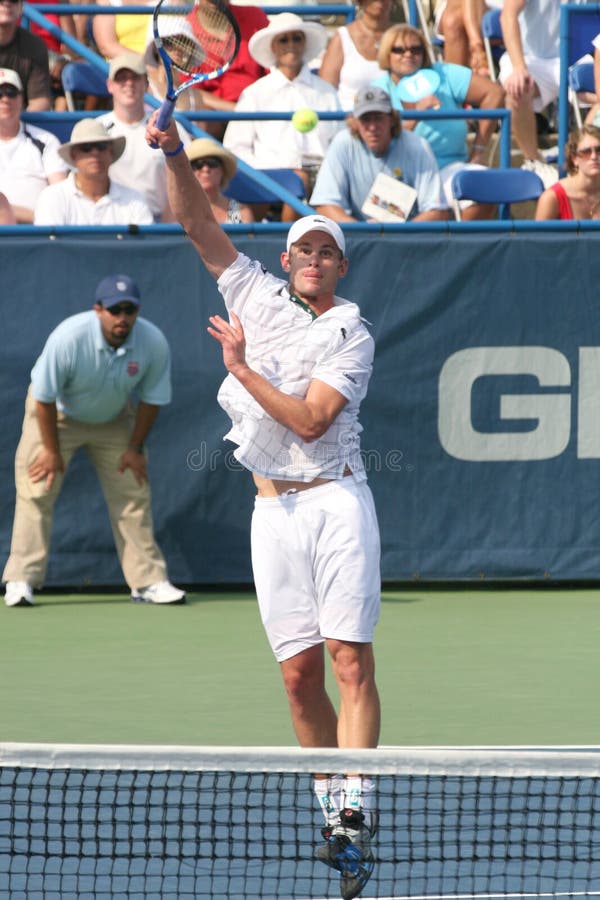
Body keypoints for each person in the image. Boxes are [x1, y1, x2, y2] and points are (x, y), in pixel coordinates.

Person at [146, 112, 382, 900]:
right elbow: (192, 220)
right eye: (305, 249)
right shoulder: (251, 287)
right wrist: (175, 148)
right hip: (270, 513)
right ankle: (331, 808)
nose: (315, 260)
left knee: (349, 661)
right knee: (297, 678)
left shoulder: (353, 330)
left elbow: (311, 419)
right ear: (287, 260)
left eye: (328, 251)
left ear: (340, 268)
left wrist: (242, 371)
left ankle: (355, 814)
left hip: (336, 502)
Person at [3, 273, 186, 608]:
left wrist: (134, 449)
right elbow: (43, 397)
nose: (122, 318)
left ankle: (147, 582)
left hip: (113, 419)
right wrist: (50, 449)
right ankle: (21, 580)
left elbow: (153, 399)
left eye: (129, 310)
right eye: (115, 310)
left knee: (133, 491)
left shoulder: (153, 342)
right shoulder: (69, 337)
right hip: (55, 416)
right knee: (36, 488)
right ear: (98, 310)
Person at [371, 24, 504, 220]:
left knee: (488, 187)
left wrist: (479, 151)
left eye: (416, 49)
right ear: (386, 54)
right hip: (398, 173)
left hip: (449, 165)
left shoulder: (443, 74)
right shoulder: (377, 91)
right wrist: (416, 114)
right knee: (382, 225)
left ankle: (461, 247)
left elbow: (494, 93)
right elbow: (378, 142)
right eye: (399, 49)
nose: (408, 54)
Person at [223, 12, 343, 216]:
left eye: (297, 38)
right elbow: (235, 148)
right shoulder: (254, 93)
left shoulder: (327, 92)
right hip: (270, 175)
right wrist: (276, 172)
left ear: (304, 44)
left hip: (325, 175)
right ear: (273, 47)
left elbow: (340, 141)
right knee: (296, 181)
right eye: (284, 39)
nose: (291, 44)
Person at [310, 85, 448, 222]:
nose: (372, 127)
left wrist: (395, 237)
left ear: (392, 119)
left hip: (408, 239)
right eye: (366, 119)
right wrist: (366, 234)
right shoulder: (342, 143)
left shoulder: (418, 146)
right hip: (357, 241)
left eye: (379, 118)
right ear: (355, 122)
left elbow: (437, 211)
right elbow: (325, 206)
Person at [98, 51, 190, 222]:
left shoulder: (169, 128)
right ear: (110, 85)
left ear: (146, 84)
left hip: (163, 224)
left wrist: (169, 222)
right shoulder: (96, 128)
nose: (129, 83)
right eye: (121, 78)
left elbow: (189, 176)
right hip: (109, 223)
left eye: (135, 78)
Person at [34, 118, 154, 226]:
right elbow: (48, 248)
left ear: (111, 153)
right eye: (86, 147)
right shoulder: (52, 198)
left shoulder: (134, 200)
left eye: (101, 146)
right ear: (73, 155)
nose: (95, 153)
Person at [498, 0, 561, 187]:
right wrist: (519, 67)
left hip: (575, 58)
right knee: (517, 89)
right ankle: (533, 162)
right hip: (529, 58)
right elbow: (507, 16)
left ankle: (580, 151)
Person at [187, 0, 269, 141]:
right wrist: (236, 109)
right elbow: (190, 90)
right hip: (213, 118)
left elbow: (272, 73)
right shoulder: (185, 28)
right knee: (202, 122)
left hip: (257, 110)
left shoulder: (254, 17)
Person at [0, 68, 68, 222]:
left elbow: (61, 194)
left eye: (11, 92)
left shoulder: (45, 141)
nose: (5, 99)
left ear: (21, 98)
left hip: (38, 232)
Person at [319, 0, 392, 110]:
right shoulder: (342, 37)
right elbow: (326, 91)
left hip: (394, 121)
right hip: (348, 121)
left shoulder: (403, 38)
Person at [536, 124, 600, 219]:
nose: (594, 157)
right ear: (574, 159)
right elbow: (538, 234)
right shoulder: (552, 197)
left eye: (599, 150)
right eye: (586, 152)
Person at [186, 137, 254, 224]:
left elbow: (247, 237)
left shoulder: (242, 211)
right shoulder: (178, 209)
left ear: (222, 170)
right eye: (197, 164)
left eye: (212, 163)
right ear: (187, 172)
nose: (206, 169)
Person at [0, 0, 52, 111]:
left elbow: (40, 100)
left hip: (17, 121)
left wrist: (16, 124)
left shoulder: (34, 45)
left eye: (13, 0)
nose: (6, 3)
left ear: (20, 7)